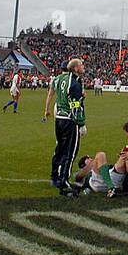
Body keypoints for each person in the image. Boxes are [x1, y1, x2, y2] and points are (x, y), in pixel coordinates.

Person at [47, 58, 87, 195]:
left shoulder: (58, 79)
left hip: (59, 118)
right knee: (70, 151)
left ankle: (54, 176)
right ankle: (64, 179)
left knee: (59, 147)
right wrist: (81, 123)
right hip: (70, 120)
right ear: (75, 68)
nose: (83, 67)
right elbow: (75, 105)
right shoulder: (74, 83)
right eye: (81, 65)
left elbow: (54, 94)